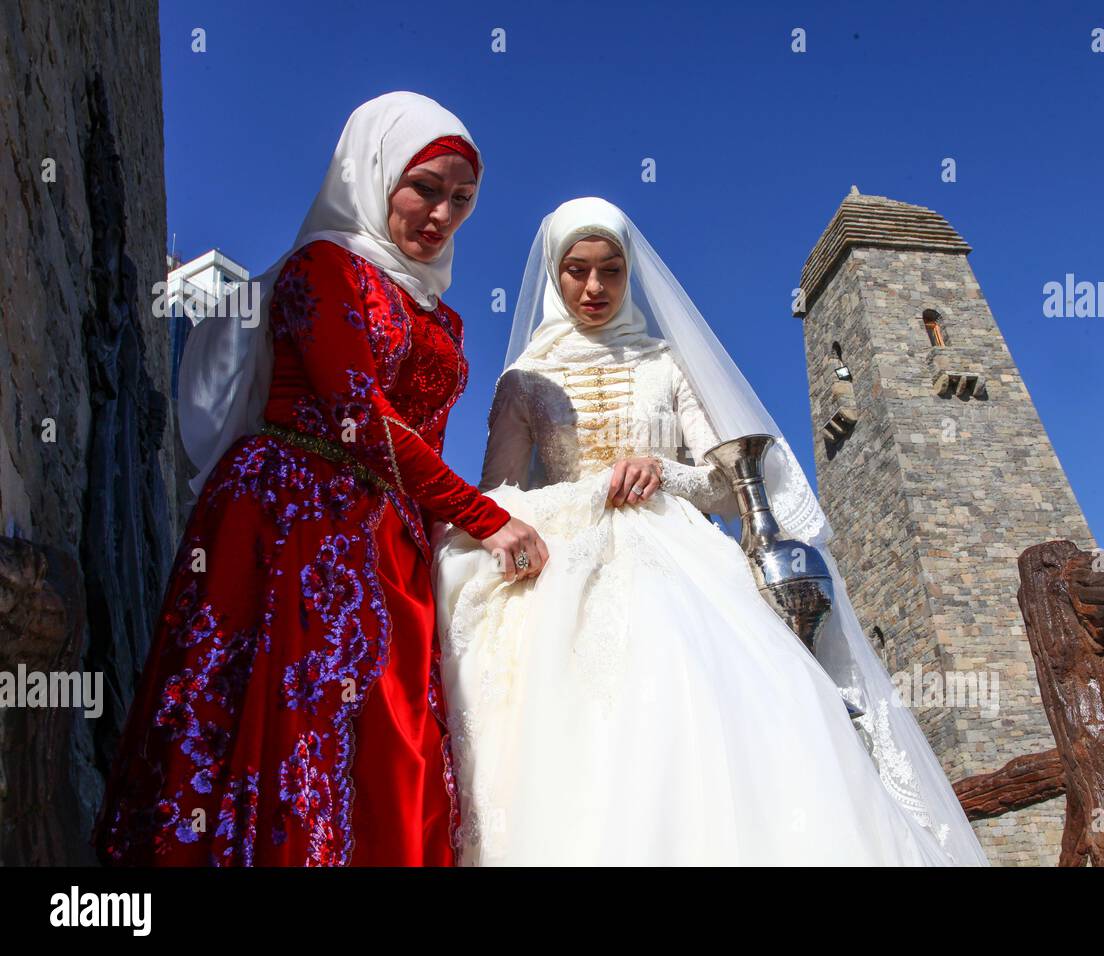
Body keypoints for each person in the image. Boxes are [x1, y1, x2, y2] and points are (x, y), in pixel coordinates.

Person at [433, 197, 991, 865]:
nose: (593, 288)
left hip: (679, 553)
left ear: (628, 271)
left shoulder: (665, 363)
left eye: (610, 270)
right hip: (566, 568)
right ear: (554, 274)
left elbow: (727, 480)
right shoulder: (524, 380)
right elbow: (503, 497)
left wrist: (664, 473)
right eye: (577, 270)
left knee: (745, 712)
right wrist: (579, 498)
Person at [92, 92, 546, 866]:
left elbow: (424, 437)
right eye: (424, 188)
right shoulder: (324, 267)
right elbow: (351, 411)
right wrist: (485, 517)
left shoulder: (444, 321)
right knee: (291, 734)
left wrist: (444, 547)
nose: (441, 213)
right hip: (292, 516)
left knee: (391, 747)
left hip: (390, 543)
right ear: (375, 175)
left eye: (461, 200)